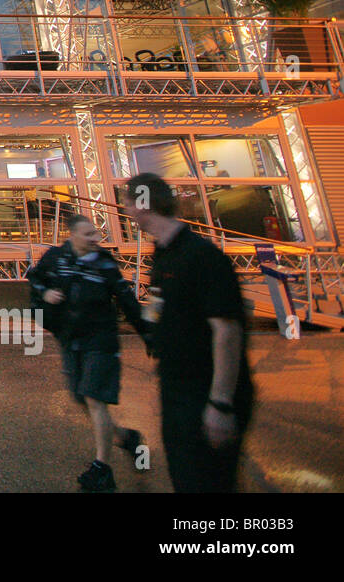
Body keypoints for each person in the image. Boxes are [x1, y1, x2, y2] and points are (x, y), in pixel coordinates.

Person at [122, 172, 255, 493]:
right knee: (186, 478)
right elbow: (157, 308)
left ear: (143, 204)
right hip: (177, 389)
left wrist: (220, 403)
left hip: (206, 392)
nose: (124, 209)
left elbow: (227, 330)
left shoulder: (201, 257)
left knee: (207, 483)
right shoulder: (163, 254)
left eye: (127, 202)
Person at [27, 214, 152, 492]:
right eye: (88, 234)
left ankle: (102, 469)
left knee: (95, 399)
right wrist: (46, 293)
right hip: (69, 338)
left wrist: (147, 332)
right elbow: (34, 280)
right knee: (80, 397)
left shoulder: (104, 262)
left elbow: (125, 298)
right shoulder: (55, 258)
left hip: (100, 339)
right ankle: (125, 438)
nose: (95, 238)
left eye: (95, 233)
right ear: (72, 235)